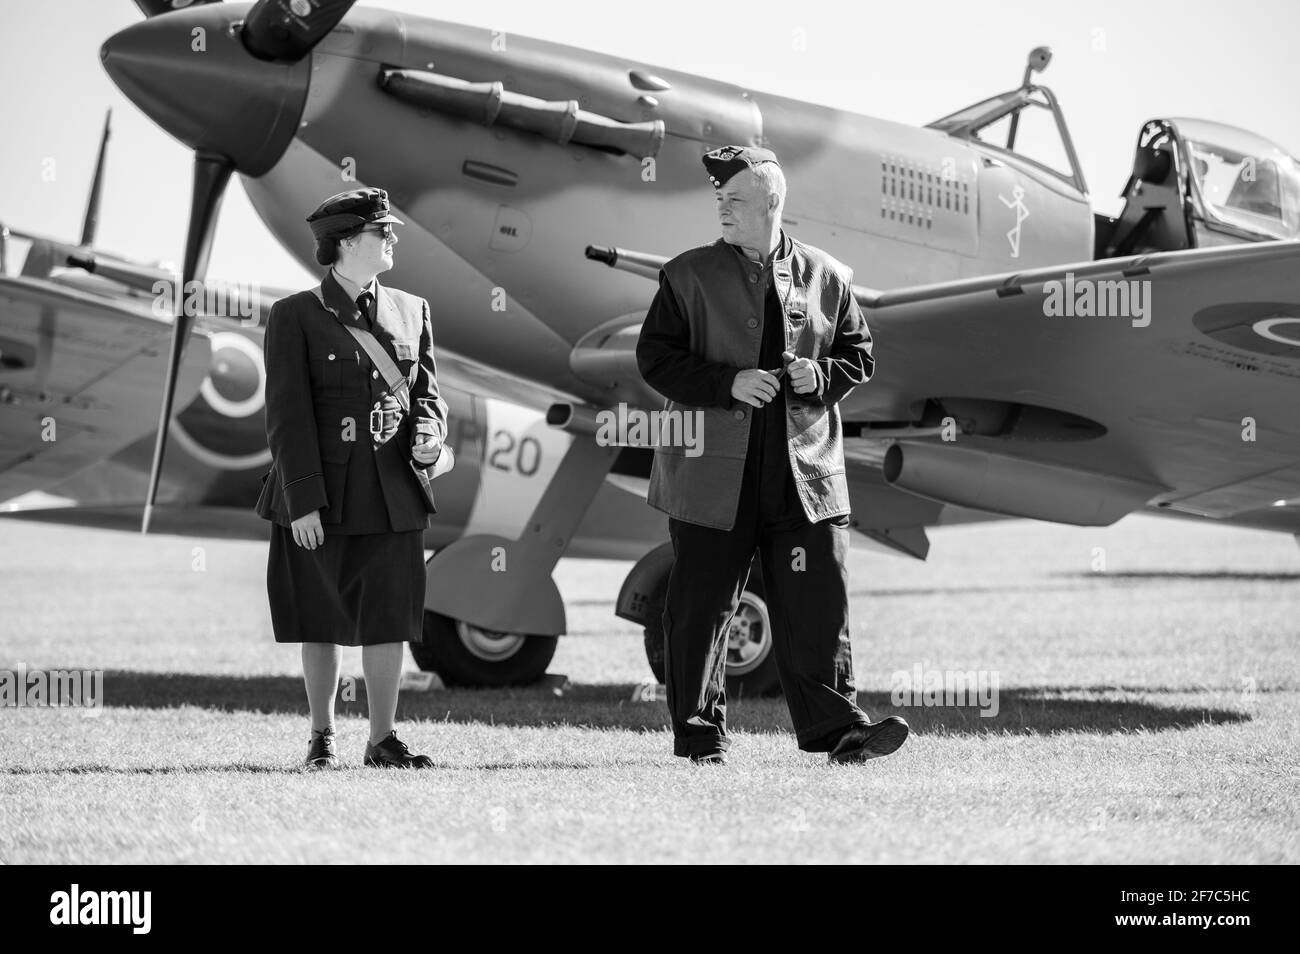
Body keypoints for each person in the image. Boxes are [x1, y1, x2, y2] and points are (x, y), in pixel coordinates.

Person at [635, 145, 909, 765]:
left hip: (804, 473)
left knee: (819, 604)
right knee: (701, 609)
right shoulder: (684, 275)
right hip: (710, 475)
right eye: (719, 200)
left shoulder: (829, 276)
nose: (722, 210)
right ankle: (700, 738)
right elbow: (655, 358)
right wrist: (724, 382)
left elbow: (858, 355)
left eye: (734, 200)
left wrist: (823, 375)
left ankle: (838, 731)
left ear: (771, 204)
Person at [255, 187, 449, 770]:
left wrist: (431, 435)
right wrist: (304, 502)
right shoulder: (294, 316)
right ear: (344, 244)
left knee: (389, 616)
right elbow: (286, 417)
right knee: (322, 617)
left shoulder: (414, 310)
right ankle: (322, 735)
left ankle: (383, 739)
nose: (392, 238)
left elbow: (428, 395)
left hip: (393, 493)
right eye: (379, 231)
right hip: (325, 494)